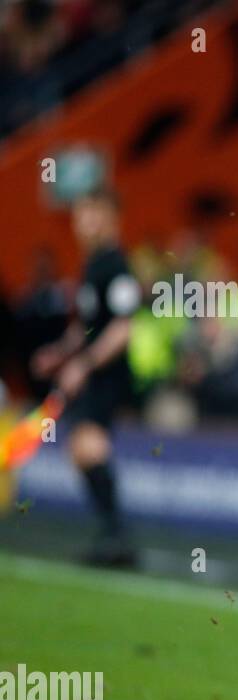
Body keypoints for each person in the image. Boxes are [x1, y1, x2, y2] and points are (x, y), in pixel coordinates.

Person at [29, 190, 141, 567]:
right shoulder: (93, 265)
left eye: (89, 215)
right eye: (79, 216)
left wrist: (85, 364)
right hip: (94, 371)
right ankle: (113, 535)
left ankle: (117, 536)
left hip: (109, 374)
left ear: (109, 217)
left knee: (88, 444)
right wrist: (60, 354)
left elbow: (122, 329)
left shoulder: (117, 265)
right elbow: (88, 326)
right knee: (80, 448)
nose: (81, 224)